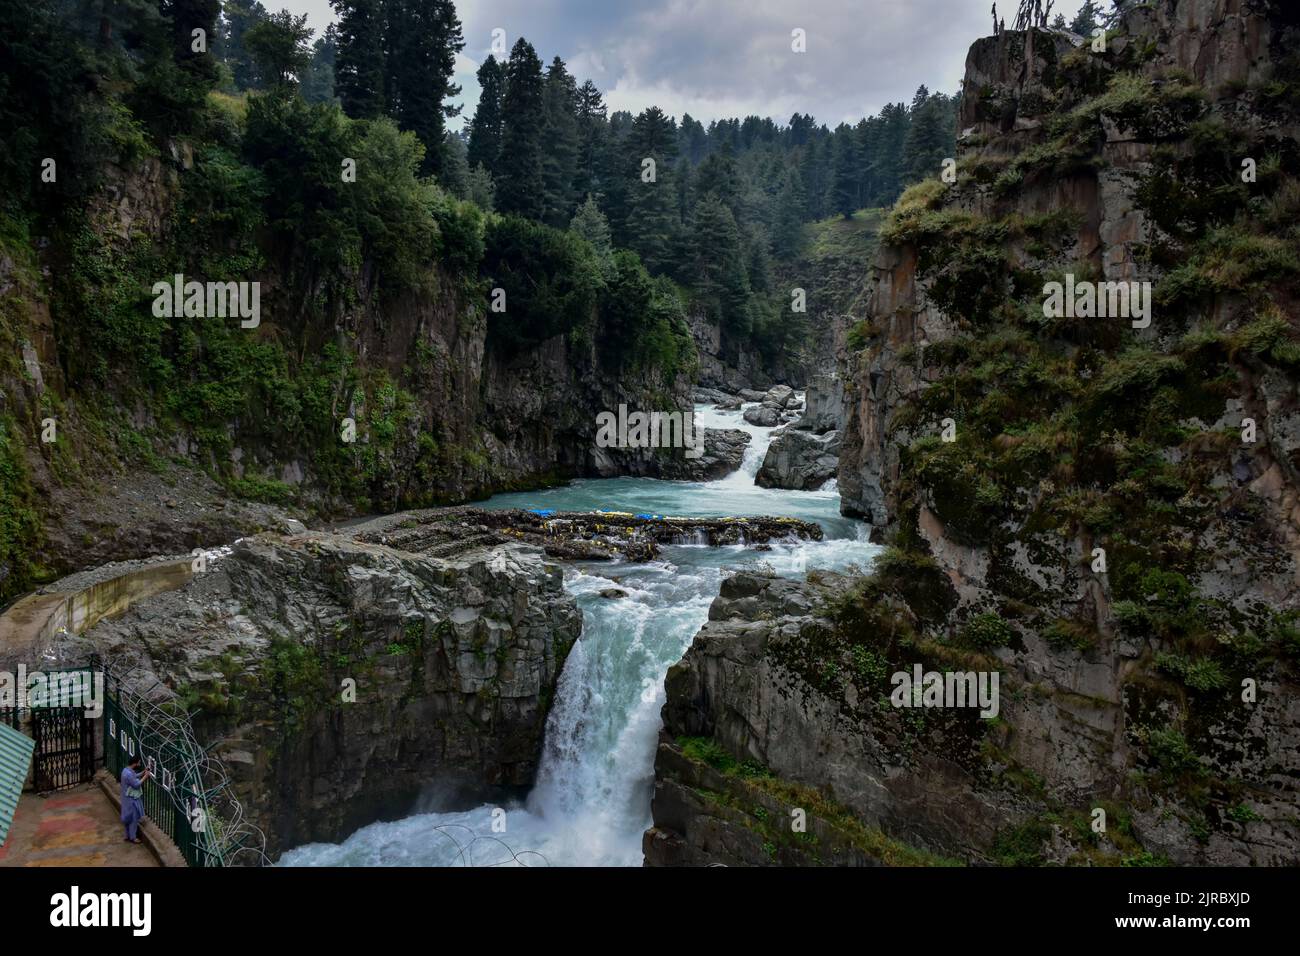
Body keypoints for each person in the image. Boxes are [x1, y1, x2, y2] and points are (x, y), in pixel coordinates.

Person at [120, 756, 150, 844]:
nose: (139, 764)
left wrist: (143, 772)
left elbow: (134, 776)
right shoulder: (129, 774)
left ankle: (127, 835)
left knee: (127, 818)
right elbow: (136, 784)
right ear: (135, 763)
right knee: (133, 818)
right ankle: (133, 837)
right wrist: (145, 776)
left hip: (125, 798)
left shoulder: (126, 770)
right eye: (139, 763)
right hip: (131, 799)